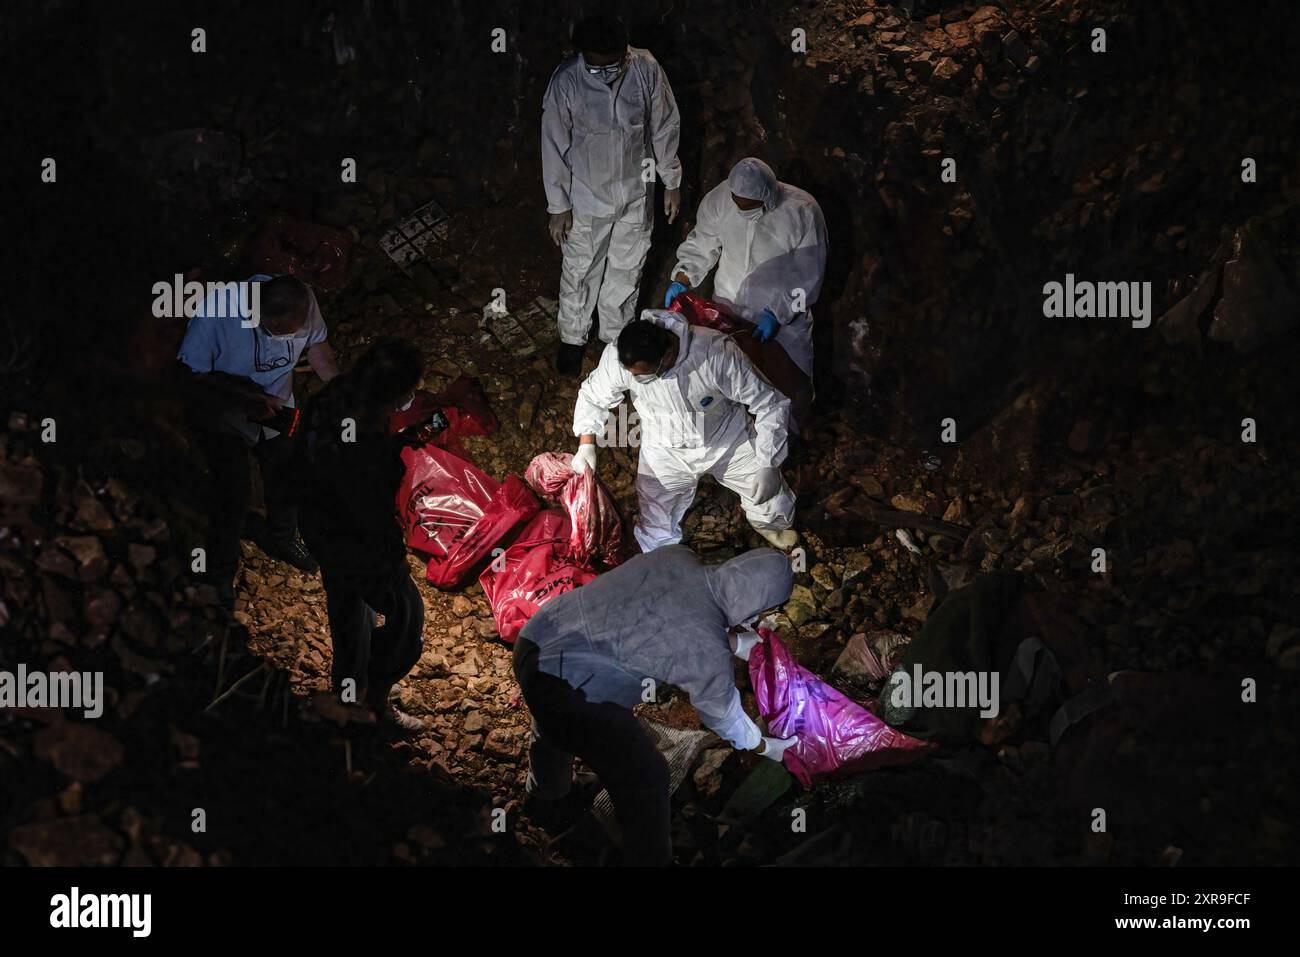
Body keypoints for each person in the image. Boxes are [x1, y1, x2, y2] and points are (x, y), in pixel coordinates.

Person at [514, 545, 797, 865]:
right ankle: (651, 859)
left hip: (539, 639)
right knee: (647, 776)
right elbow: (723, 715)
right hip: (569, 688)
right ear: (756, 606)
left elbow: (660, 612)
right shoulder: (706, 650)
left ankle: (546, 798)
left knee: (550, 720)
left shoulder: (677, 556)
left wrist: (732, 642)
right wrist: (763, 746)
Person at [571, 311, 798, 552]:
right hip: (664, 450)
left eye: (640, 375)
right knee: (656, 517)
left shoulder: (715, 353)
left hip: (726, 439)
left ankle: (771, 526)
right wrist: (586, 445)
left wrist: (769, 464)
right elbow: (592, 396)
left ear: (666, 355)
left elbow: (770, 403)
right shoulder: (621, 358)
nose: (631, 378)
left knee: (769, 498)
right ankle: (663, 558)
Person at [177, 274, 340, 604]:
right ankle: (219, 573)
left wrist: (341, 391)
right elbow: (188, 376)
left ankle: (282, 536)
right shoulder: (216, 311)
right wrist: (244, 398)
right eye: (274, 333)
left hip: (277, 407)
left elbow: (319, 347)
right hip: (224, 416)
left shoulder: (301, 297)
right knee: (233, 495)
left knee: (286, 473)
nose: (284, 342)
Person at [296, 338, 427, 733]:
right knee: (407, 617)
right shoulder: (364, 445)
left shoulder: (335, 394)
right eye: (410, 389)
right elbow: (366, 503)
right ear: (396, 392)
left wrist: (395, 443)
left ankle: (348, 696)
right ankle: (376, 702)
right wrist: (392, 558)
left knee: (350, 613)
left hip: (319, 526)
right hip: (353, 540)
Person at [541, 14, 683, 376]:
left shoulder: (645, 68)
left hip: (636, 192)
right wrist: (558, 206)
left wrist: (672, 180)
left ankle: (613, 341)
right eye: (596, 66)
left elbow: (664, 124)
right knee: (580, 269)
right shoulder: (566, 81)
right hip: (587, 196)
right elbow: (553, 145)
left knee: (627, 268)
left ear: (625, 50)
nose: (605, 73)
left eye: (611, 64)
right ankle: (573, 340)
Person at [665, 158, 827, 380]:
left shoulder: (803, 211)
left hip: (782, 317)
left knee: (788, 382)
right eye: (737, 203)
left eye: (750, 206)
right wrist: (682, 278)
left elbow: (808, 275)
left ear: (768, 197)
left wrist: (780, 312)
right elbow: (702, 242)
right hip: (728, 307)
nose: (742, 211)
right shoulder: (720, 199)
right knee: (728, 378)